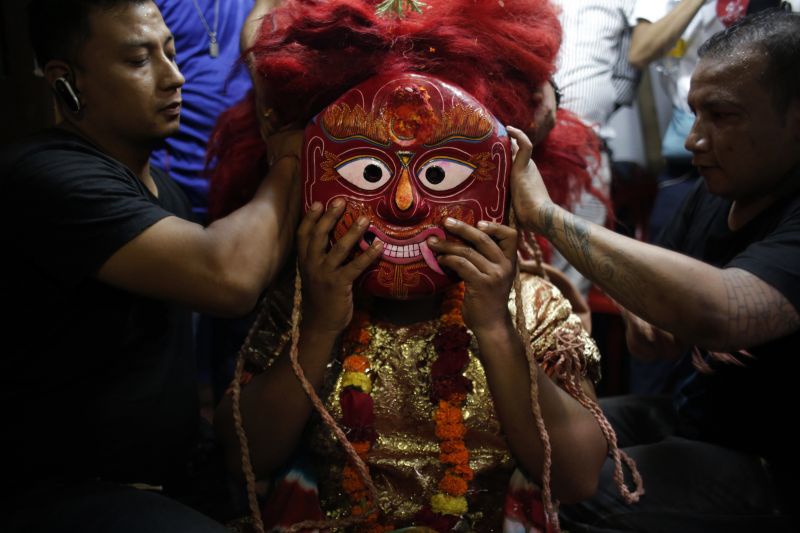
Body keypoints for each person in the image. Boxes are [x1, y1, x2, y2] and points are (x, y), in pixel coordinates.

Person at [210, 1, 643, 531]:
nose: (407, 202)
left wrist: (495, 327)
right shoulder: (304, 297)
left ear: (505, 182)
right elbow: (246, 458)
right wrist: (321, 325)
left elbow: (575, 477)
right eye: (368, 170)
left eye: (443, 173)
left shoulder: (531, 304)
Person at [0, 0, 299, 531]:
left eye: (171, 51)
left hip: (171, 477)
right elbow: (229, 278)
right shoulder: (47, 176)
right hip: (67, 491)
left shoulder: (164, 194)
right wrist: (292, 152)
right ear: (67, 82)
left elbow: (257, 264)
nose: (175, 77)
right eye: (140, 60)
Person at [510, 8, 800, 531]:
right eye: (695, 115)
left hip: (770, 468)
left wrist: (547, 218)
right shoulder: (713, 194)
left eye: (723, 116)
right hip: (693, 421)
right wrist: (643, 313)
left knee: (568, 491)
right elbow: (656, 320)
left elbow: (721, 310)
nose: (694, 141)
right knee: (527, 447)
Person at [550, 0, 639, 299]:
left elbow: (626, 75)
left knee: (577, 264)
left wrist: (585, 118)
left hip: (588, 146)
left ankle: (568, 341)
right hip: (523, 143)